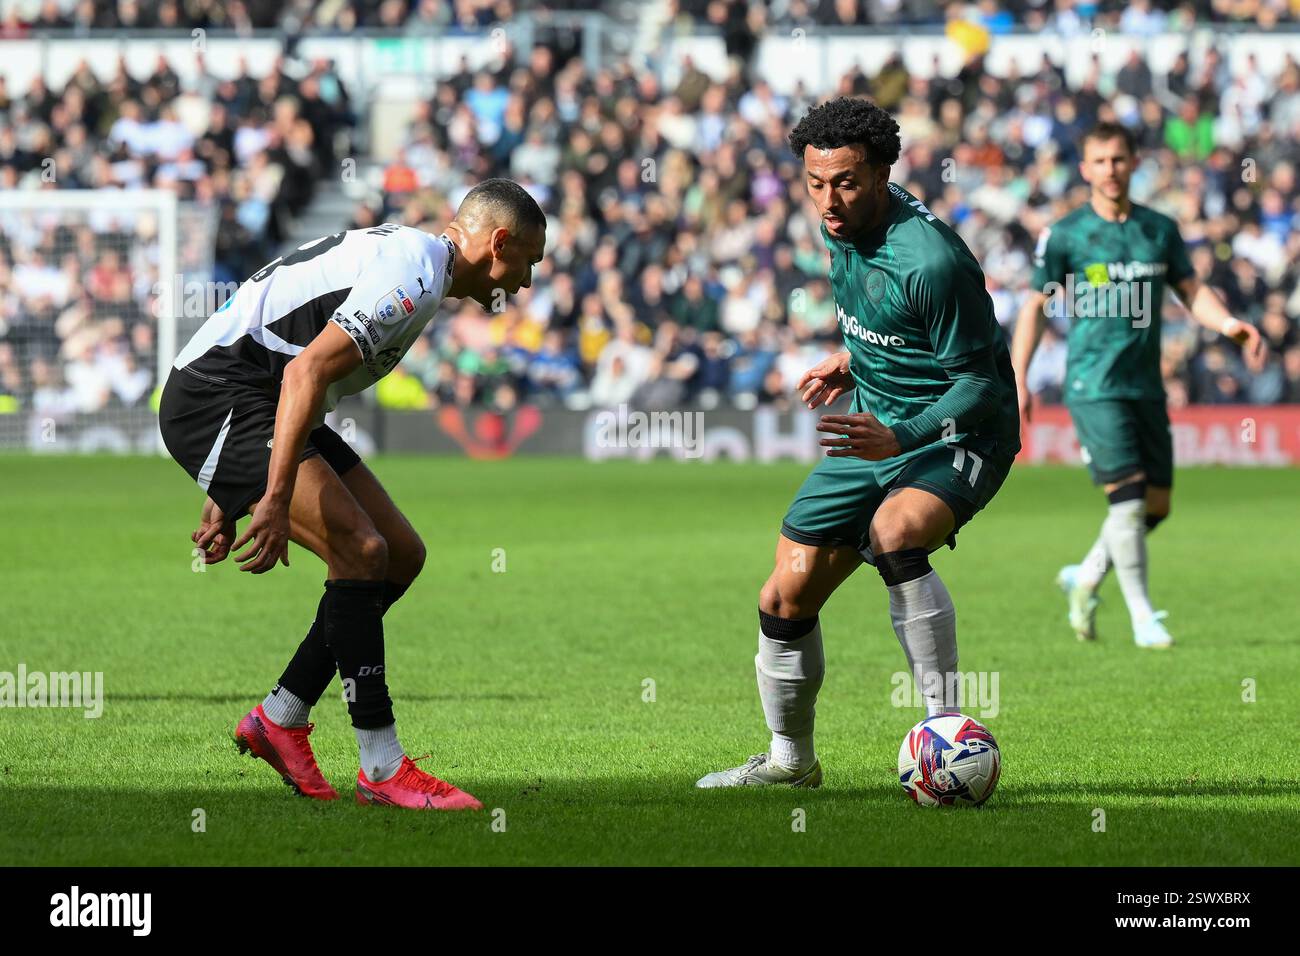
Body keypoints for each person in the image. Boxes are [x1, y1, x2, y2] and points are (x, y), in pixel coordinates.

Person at [159, 179, 546, 809]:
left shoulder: (418, 264)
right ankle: (381, 766)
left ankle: (278, 719)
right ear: (498, 241)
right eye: (527, 260)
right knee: (362, 551)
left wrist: (234, 484)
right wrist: (272, 494)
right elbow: (303, 370)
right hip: (222, 396)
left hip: (258, 399)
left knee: (398, 551)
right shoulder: (414, 275)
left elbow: (295, 362)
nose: (525, 282)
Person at [697, 98, 1021, 789]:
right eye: (815, 183)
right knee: (784, 597)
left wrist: (899, 435)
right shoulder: (841, 226)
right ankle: (791, 763)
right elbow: (883, 319)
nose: (828, 199)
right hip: (874, 424)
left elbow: (980, 384)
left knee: (895, 530)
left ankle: (946, 739)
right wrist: (848, 359)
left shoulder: (933, 261)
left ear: (882, 173)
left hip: (958, 431)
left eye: (844, 181)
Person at [1011, 123, 1265, 648]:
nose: (1110, 170)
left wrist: (1228, 325)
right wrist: (1019, 377)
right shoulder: (1066, 235)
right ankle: (1143, 616)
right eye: (1099, 161)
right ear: (1084, 169)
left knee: (1156, 506)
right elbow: (1035, 306)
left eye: (1119, 160)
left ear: (1134, 163)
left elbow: (1191, 290)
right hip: (1093, 384)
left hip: (1145, 386)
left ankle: (1085, 577)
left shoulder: (1159, 230)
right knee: (1126, 501)